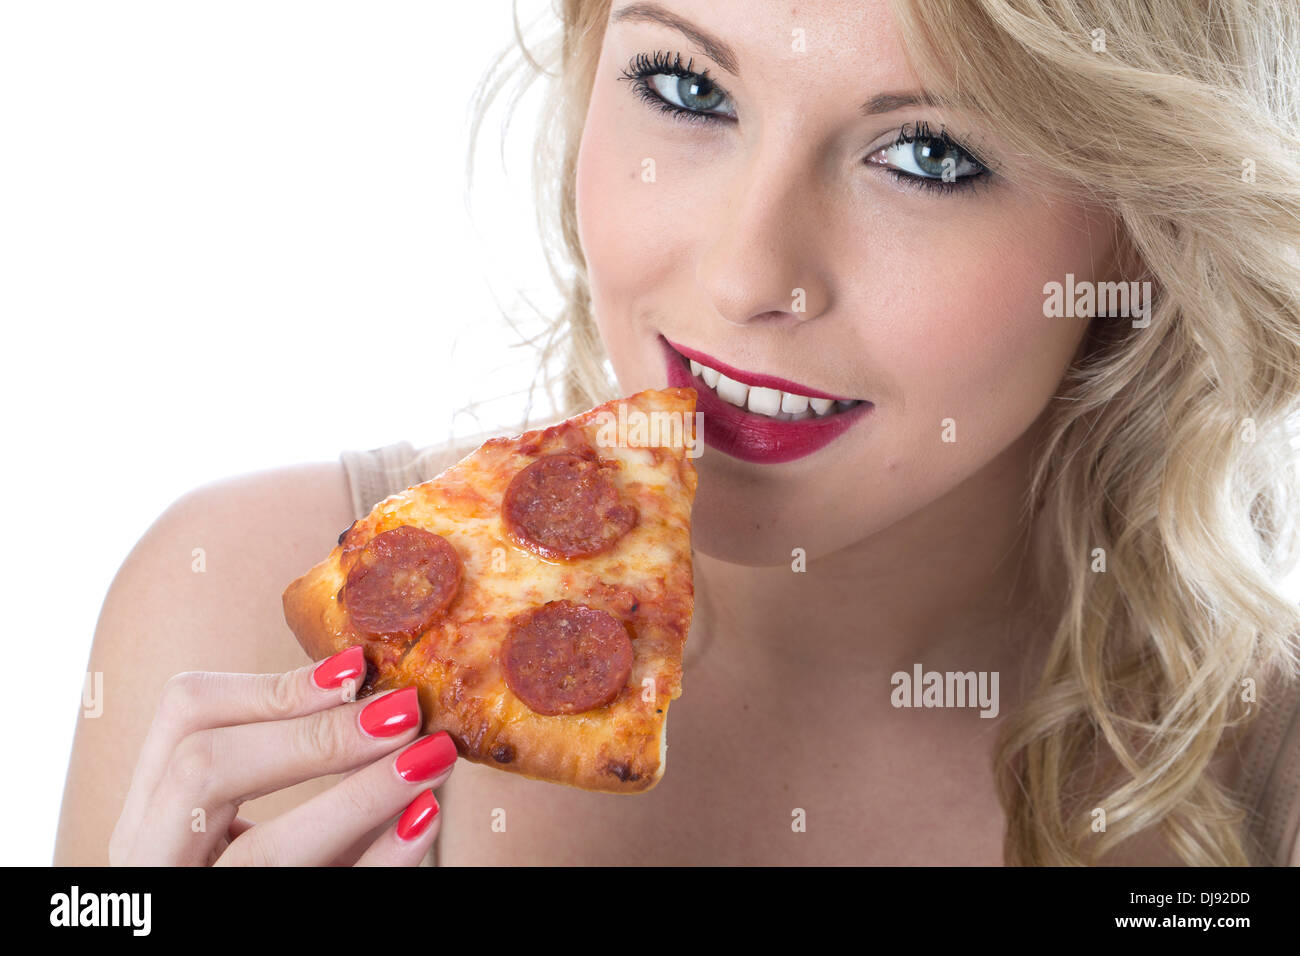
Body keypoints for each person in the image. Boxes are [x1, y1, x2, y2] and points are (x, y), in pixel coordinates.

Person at [55, 0, 1300, 866]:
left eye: (926, 154)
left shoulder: (1269, 775)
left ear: (1146, 228)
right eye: (687, 87)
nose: (747, 272)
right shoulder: (229, 622)